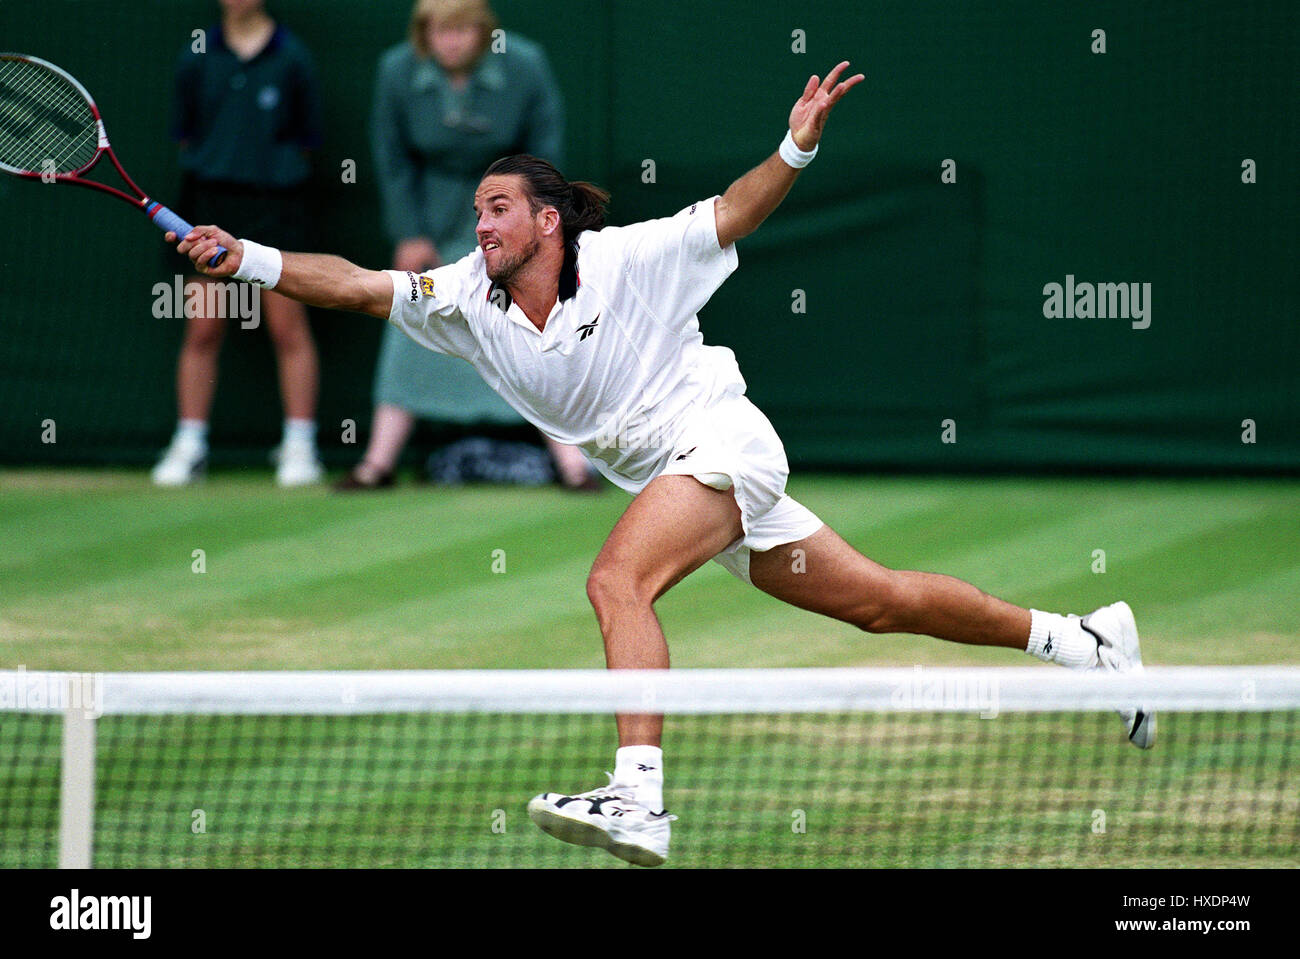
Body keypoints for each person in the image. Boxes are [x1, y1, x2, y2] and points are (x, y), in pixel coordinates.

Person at [171, 61, 1154, 867]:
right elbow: (355, 284)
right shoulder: (465, 296)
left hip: (721, 443)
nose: (482, 225)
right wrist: (248, 257)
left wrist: (795, 144)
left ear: (548, 220)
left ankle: (638, 797)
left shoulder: (632, 257)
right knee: (880, 601)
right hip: (676, 479)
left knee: (616, 579)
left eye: (499, 208)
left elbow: (735, 211)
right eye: (476, 210)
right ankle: (1084, 641)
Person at [337, 0, 594, 491]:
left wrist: (527, 230)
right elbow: (392, 160)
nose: (450, 41)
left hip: (511, 219)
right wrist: (410, 233)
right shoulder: (396, 70)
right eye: (440, 30)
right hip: (431, 227)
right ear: (424, 32)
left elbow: (544, 156)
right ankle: (377, 465)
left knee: (534, 331)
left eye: (461, 30)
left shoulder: (526, 64)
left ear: (483, 31)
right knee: (410, 322)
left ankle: (573, 467)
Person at [153, 0, 325, 487]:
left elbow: (307, 141)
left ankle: (299, 446)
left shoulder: (293, 57)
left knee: (287, 329)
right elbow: (186, 138)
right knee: (203, 330)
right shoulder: (196, 54)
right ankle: (190, 445)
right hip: (209, 205)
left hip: (277, 206)